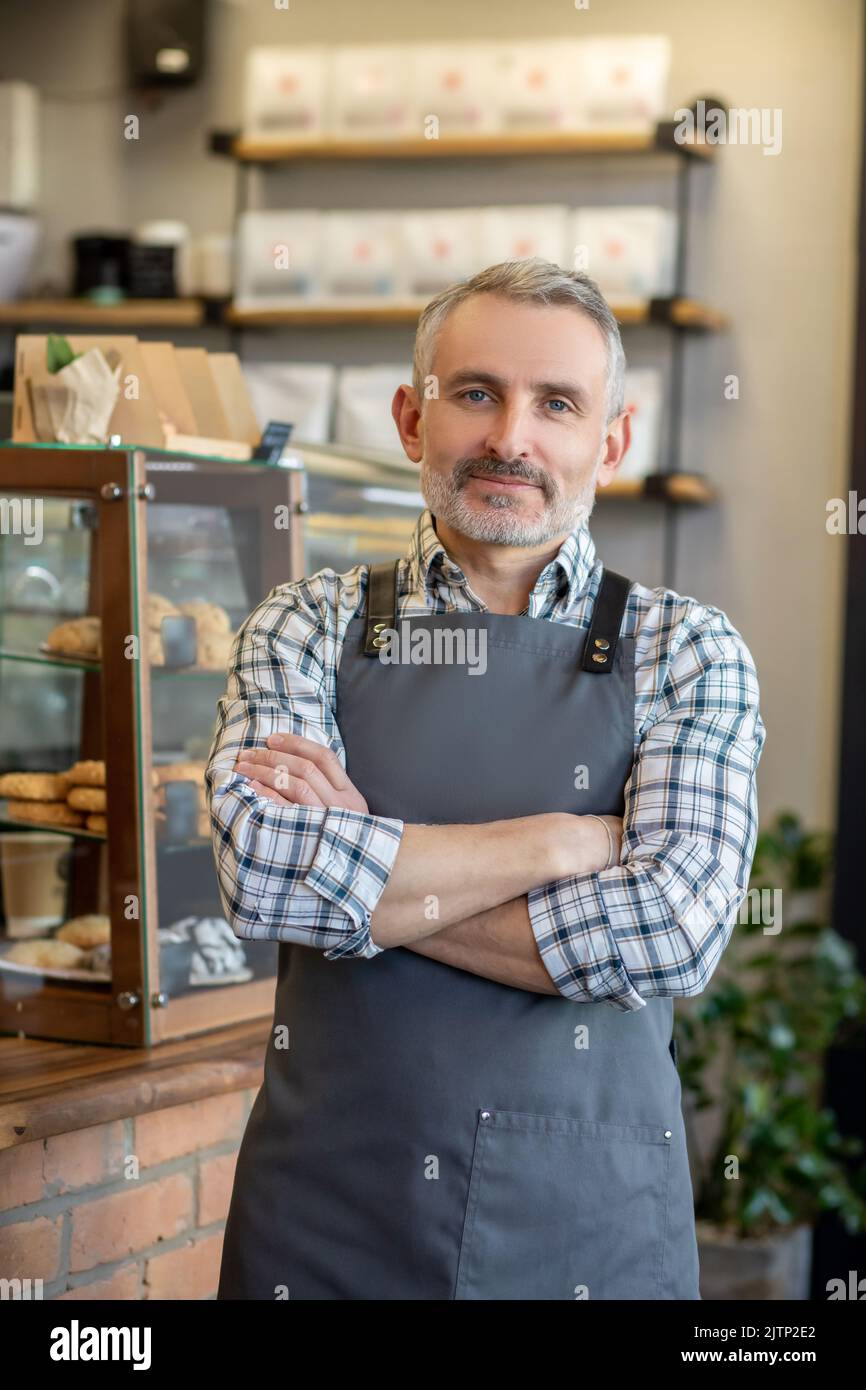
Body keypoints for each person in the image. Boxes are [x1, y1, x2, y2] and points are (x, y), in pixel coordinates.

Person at [207, 257, 766, 1300]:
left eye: (555, 403)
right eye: (476, 393)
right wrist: (562, 842)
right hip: (325, 1220)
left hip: (589, 1233)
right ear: (412, 419)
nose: (511, 436)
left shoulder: (687, 649)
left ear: (609, 441)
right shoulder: (305, 624)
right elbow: (262, 876)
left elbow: (671, 930)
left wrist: (365, 869)